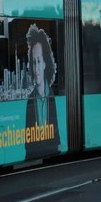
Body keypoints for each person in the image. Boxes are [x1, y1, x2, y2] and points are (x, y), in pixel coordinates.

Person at [24, 24, 60, 160]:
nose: (36, 68)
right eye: (33, 62)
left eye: (39, 61)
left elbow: (56, 138)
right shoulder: (29, 100)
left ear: (45, 63)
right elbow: (28, 146)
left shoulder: (52, 96)